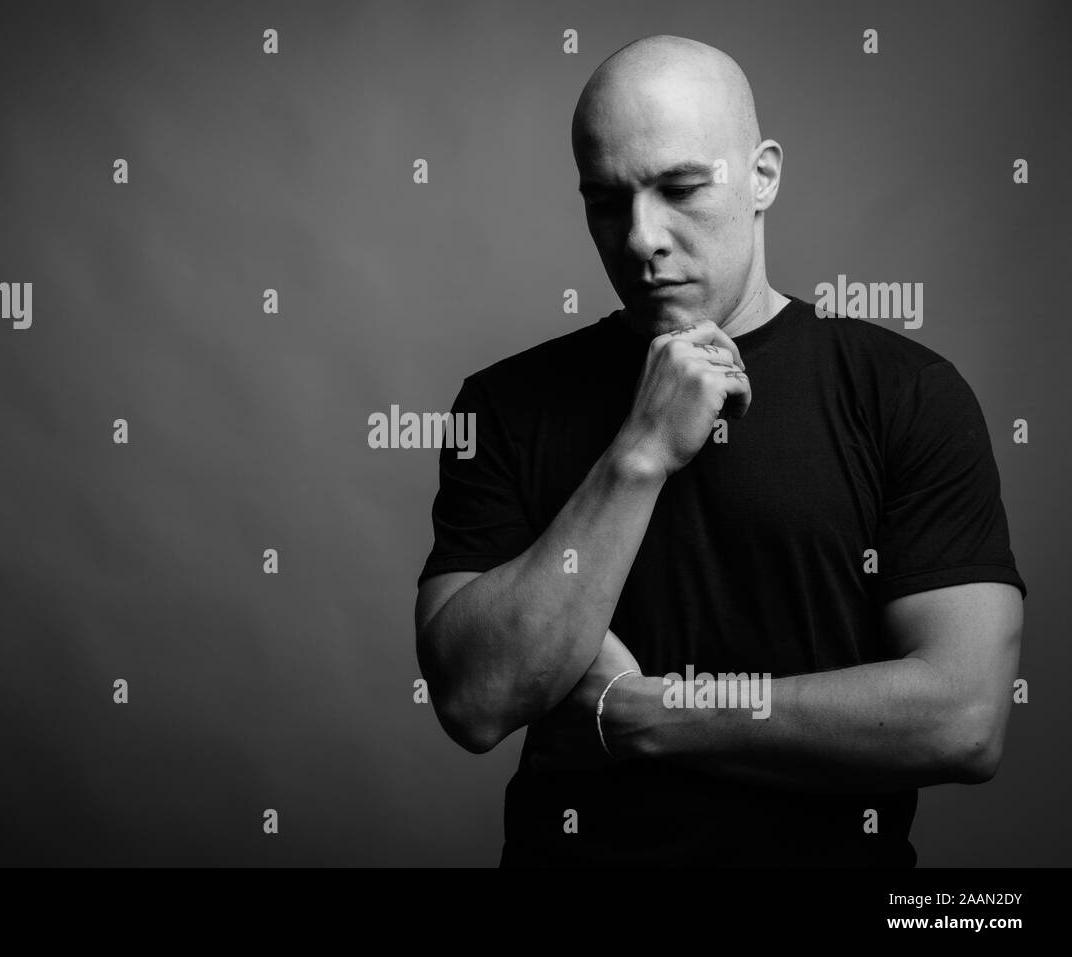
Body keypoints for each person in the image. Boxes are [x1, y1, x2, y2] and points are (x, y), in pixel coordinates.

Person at [414, 34, 1026, 867]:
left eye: (680, 188)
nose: (641, 237)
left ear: (762, 175)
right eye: (607, 200)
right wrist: (639, 453)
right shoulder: (506, 405)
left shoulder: (905, 392)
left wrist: (642, 713)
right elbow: (474, 698)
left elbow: (963, 719)